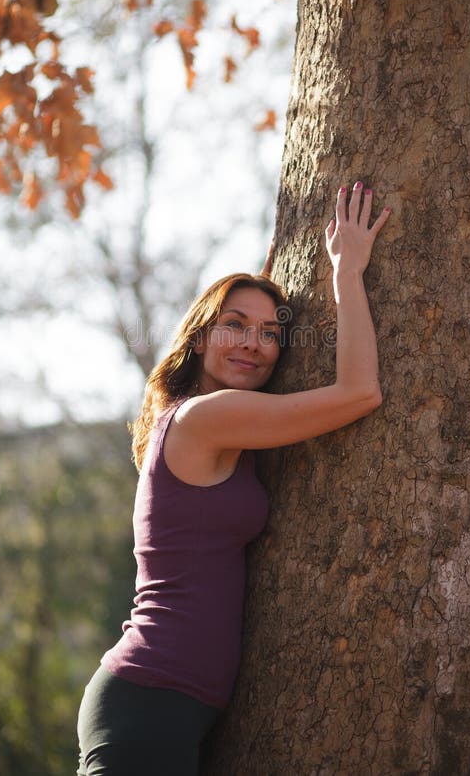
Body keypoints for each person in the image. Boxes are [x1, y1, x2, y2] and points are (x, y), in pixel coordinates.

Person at [76, 181, 390, 776]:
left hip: (173, 703)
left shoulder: (201, 416)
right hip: (151, 699)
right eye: (234, 324)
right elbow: (360, 392)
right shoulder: (206, 418)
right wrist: (348, 272)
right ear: (198, 336)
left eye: (271, 333)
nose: (254, 343)